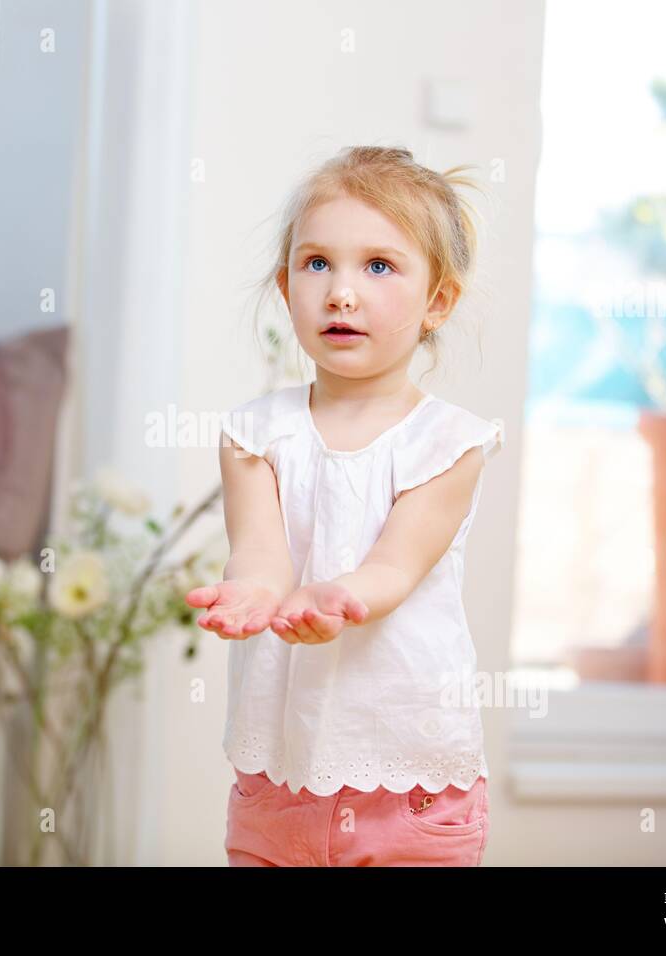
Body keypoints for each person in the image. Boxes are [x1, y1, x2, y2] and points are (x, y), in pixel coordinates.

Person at [186, 146, 504, 866]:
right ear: (285, 283)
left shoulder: (449, 444)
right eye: (317, 263)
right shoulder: (254, 435)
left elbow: (395, 566)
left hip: (409, 785)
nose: (341, 293)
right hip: (282, 779)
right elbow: (262, 550)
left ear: (438, 302)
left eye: (379, 266)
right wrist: (252, 593)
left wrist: (335, 599)